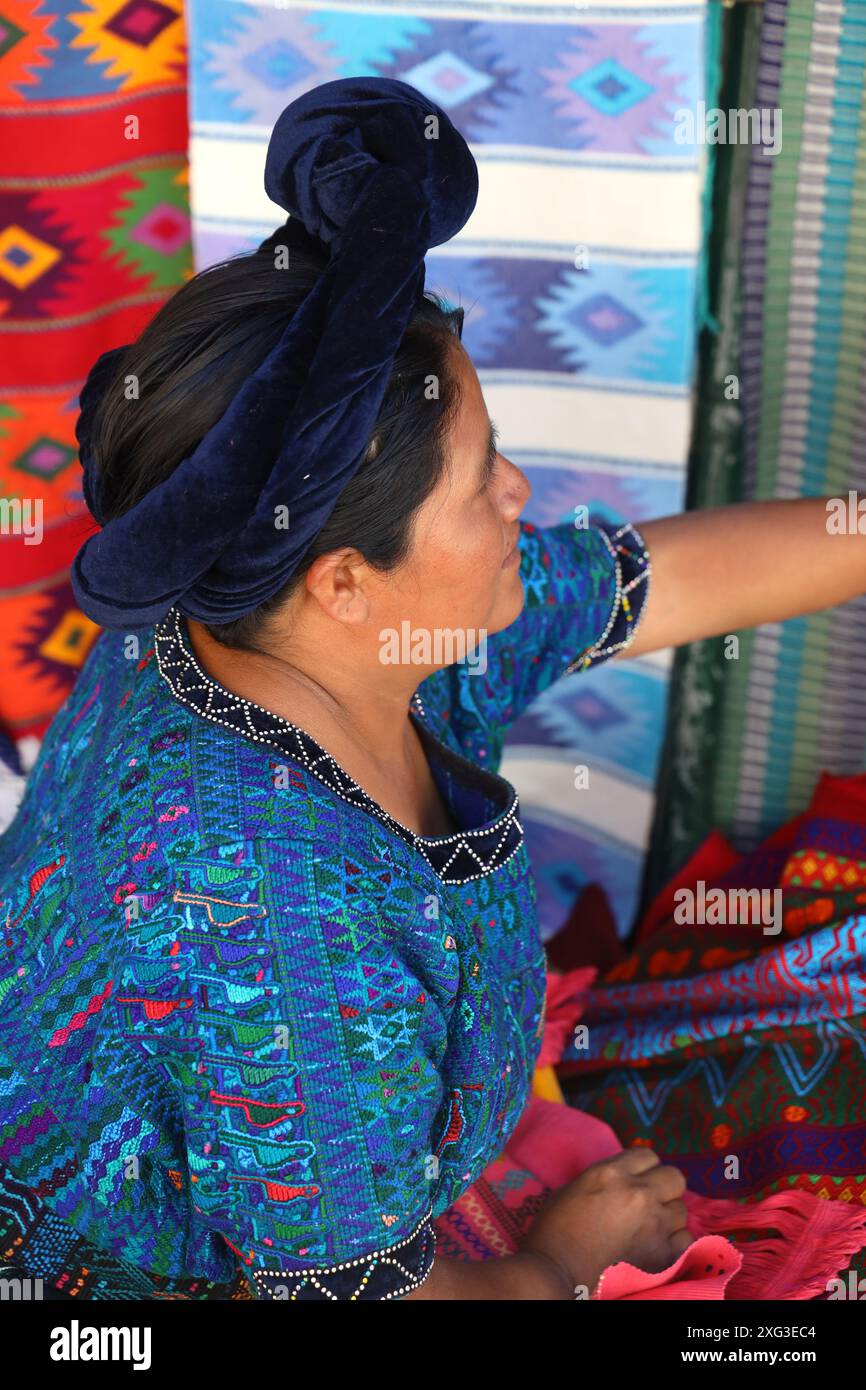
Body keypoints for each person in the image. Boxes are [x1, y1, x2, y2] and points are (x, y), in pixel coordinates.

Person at [1, 77, 866, 1302]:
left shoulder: (287, 611)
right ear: (347, 579)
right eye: (478, 480)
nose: (519, 491)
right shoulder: (269, 914)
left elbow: (663, 581)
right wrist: (556, 1260)